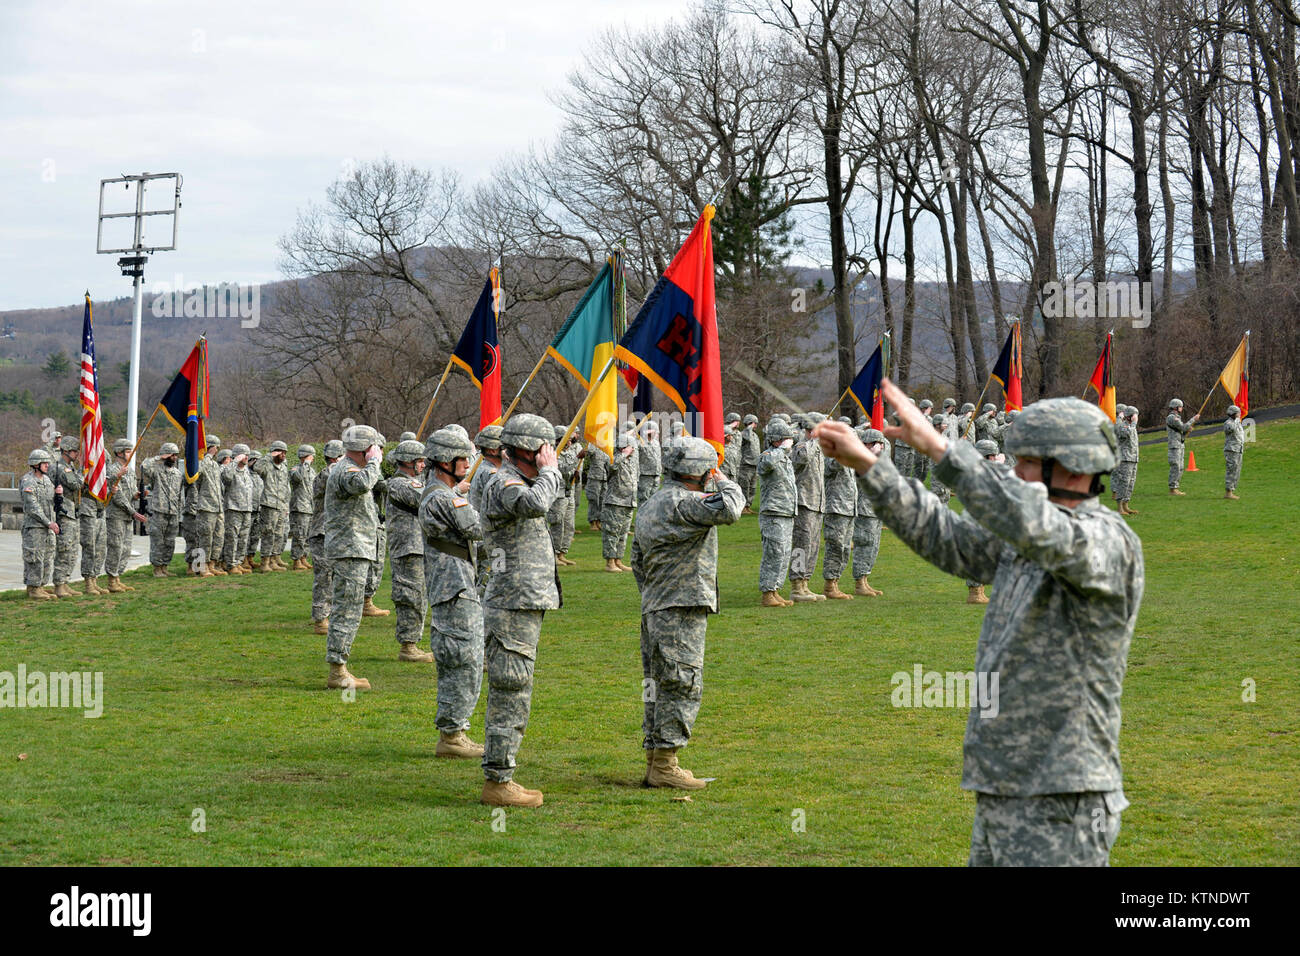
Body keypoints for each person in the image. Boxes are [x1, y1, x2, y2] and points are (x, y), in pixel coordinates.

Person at [814, 381, 1143, 866]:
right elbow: (948, 539)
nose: (1015, 472)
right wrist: (869, 465)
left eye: (1027, 462)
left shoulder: (1102, 540)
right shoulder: (1033, 536)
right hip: (1007, 780)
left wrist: (940, 449)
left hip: (1061, 792)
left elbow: (1029, 522)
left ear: (1070, 468)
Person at [631, 436, 743, 788]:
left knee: (657, 684)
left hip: (655, 604)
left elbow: (636, 559)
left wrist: (653, 592)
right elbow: (732, 507)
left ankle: (655, 759)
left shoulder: (651, 504)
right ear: (701, 472)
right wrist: (721, 480)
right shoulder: (686, 503)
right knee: (681, 682)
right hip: (680, 606)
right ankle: (666, 763)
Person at [479, 413, 562, 807]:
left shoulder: (518, 478)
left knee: (516, 688)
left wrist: (548, 472)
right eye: (545, 449)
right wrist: (550, 473)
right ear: (529, 451)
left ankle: (501, 775)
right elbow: (534, 504)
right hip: (511, 603)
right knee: (509, 691)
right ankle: (498, 780)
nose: (550, 455)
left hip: (522, 602)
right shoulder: (505, 482)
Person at [419, 428, 486, 758]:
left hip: (456, 585)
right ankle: (452, 736)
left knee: (466, 657)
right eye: (463, 458)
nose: (468, 463)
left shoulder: (442, 493)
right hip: (454, 590)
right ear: (446, 462)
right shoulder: (442, 498)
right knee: (462, 659)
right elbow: (478, 526)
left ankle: (455, 731)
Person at [324, 425, 385, 691]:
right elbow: (360, 485)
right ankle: (338, 672)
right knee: (346, 611)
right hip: (349, 549)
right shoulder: (348, 470)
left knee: (348, 609)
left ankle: (340, 668)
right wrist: (374, 463)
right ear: (365, 449)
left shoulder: (352, 468)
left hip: (354, 548)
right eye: (375, 448)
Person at [386, 439, 433, 662]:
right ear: (407, 462)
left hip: (416, 545)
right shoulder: (400, 484)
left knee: (419, 595)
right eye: (419, 461)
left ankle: (412, 642)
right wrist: (455, 489)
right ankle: (408, 646)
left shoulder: (413, 481)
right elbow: (426, 500)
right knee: (410, 595)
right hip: (407, 547)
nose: (423, 465)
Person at [757, 418, 797, 607]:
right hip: (773, 512)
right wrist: (781, 450)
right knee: (774, 552)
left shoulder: (785, 458)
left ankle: (775, 590)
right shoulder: (767, 455)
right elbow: (766, 466)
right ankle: (767, 592)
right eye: (785, 438)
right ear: (775, 440)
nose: (790, 442)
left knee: (784, 553)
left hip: (786, 511)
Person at [788, 413, 827, 602]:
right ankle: (796, 585)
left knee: (813, 545)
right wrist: (813, 439)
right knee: (801, 545)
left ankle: (805, 583)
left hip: (817, 503)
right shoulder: (802, 446)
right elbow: (801, 459)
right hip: (804, 502)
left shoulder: (818, 448)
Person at [308, 440, 343, 634]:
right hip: (322, 532)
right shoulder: (326, 474)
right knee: (324, 577)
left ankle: (334, 614)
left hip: (337, 532)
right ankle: (321, 619)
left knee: (339, 576)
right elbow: (333, 476)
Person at [105, 439, 148, 592]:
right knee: (116, 547)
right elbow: (117, 497)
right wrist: (134, 512)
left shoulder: (129, 471)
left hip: (127, 516)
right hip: (116, 515)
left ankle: (118, 578)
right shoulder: (112, 471)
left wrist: (138, 495)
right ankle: (111, 580)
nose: (130, 454)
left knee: (125, 548)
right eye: (128, 451)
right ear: (119, 452)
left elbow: (130, 493)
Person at [820, 433, 857, 600]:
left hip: (849, 508)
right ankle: (829, 585)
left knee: (844, 549)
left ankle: (836, 581)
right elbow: (831, 468)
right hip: (836, 508)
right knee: (835, 547)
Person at [851, 428, 887, 597]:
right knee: (864, 544)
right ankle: (859, 582)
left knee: (873, 546)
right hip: (865, 509)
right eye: (877, 443)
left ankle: (865, 578)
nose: (880, 446)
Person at [21, 449, 59, 600]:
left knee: (47, 556)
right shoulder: (28, 481)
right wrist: (48, 522)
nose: (47, 465)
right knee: (35, 557)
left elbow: (49, 502)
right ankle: (34, 587)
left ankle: (40, 585)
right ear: (35, 464)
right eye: (44, 463)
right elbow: (33, 507)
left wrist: (58, 493)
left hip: (48, 525)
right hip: (35, 527)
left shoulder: (47, 480)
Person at [141, 442, 183, 577]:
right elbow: (143, 466)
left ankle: (165, 567)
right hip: (159, 512)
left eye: (176, 455)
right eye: (172, 455)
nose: (174, 458)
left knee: (170, 542)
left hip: (173, 512)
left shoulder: (178, 474)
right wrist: (159, 457)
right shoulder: (156, 471)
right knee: (158, 541)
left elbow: (179, 493)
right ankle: (157, 569)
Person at [49, 436, 83, 597]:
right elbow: (76, 484)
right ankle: (59, 584)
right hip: (64, 513)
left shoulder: (70, 467)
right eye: (75, 451)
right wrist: (83, 472)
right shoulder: (61, 468)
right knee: (65, 549)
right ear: (67, 451)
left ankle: (65, 582)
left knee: (73, 549)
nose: (77, 454)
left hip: (72, 513)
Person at [601, 427, 638, 572]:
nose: (633, 450)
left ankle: (618, 560)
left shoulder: (631, 461)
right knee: (612, 532)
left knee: (623, 533)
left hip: (629, 501)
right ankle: (610, 562)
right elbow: (611, 467)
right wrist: (623, 455)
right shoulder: (611, 458)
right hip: (615, 501)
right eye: (630, 448)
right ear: (622, 448)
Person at [77, 438, 110, 595]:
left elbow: (103, 488)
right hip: (88, 508)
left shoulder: (103, 474)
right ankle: (88, 582)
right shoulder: (84, 468)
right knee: (89, 547)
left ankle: (95, 579)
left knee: (100, 547)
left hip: (99, 510)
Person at [254, 440, 291, 570]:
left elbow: (286, 487)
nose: (284, 455)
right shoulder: (267, 465)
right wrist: (269, 455)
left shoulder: (284, 467)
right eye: (282, 452)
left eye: (285, 452)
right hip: (269, 505)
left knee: (279, 534)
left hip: (281, 505)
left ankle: (274, 561)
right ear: (276, 452)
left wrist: (286, 505)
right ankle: (265, 563)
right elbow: (256, 468)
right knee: (268, 534)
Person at [220, 445, 256, 576]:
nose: (247, 457)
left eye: (248, 454)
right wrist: (234, 461)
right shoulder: (229, 469)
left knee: (243, 538)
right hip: (233, 508)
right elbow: (226, 478)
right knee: (232, 538)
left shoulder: (246, 470)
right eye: (244, 455)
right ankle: (230, 564)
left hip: (246, 509)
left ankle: (239, 562)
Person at [550, 424, 580, 566]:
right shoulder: (553, 453)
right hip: (558, 494)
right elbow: (560, 468)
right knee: (558, 524)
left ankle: (562, 553)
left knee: (569, 525)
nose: (569, 442)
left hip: (569, 492)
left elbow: (570, 470)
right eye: (566, 439)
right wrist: (576, 459)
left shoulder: (568, 452)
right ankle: (553, 555)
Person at [288, 445, 316, 570]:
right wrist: (306, 464)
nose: (312, 459)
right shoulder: (296, 469)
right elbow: (299, 478)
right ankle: (296, 560)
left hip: (310, 507)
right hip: (300, 507)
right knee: (299, 535)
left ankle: (304, 557)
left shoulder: (312, 471)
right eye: (310, 456)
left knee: (307, 536)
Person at [1165, 398, 1199, 495]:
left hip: (1180, 445)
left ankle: (1176, 487)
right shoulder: (1172, 417)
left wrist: (1187, 431)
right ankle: (1172, 488)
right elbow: (1183, 427)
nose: (1182, 408)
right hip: (1174, 446)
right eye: (1180, 407)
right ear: (1176, 407)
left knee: (1180, 467)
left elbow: (1182, 431)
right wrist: (1193, 419)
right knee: (1176, 466)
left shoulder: (1177, 417)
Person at [1111, 406, 1139, 515]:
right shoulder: (1122, 425)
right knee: (1124, 482)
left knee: (1131, 483)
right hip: (1125, 458)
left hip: (1133, 458)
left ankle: (1126, 505)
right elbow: (1125, 433)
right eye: (1135, 415)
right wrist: (1133, 423)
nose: (1136, 417)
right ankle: (1119, 507)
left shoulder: (1131, 426)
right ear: (1130, 416)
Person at [636, 419, 662, 507]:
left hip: (656, 475)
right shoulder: (639, 443)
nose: (656, 432)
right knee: (644, 499)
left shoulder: (656, 443)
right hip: (645, 475)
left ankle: (651, 519)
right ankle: (641, 519)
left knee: (654, 499)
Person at [584, 440, 608, 530]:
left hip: (605, 477)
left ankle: (599, 521)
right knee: (594, 499)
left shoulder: (607, 446)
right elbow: (588, 453)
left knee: (603, 500)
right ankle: (593, 521)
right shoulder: (593, 444)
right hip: (594, 477)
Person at [739, 414, 760, 512]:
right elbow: (747, 437)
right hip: (746, 464)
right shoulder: (743, 434)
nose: (756, 425)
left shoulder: (755, 435)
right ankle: (742, 506)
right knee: (744, 486)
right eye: (754, 423)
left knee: (753, 487)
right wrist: (749, 427)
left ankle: (748, 506)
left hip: (755, 465)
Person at [1223, 405, 1244, 500]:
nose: (1239, 415)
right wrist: (1237, 420)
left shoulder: (1237, 423)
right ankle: (1228, 492)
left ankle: (1231, 490)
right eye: (1238, 413)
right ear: (1233, 414)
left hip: (1238, 449)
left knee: (1236, 470)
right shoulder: (1228, 423)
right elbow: (1231, 429)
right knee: (1231, 470)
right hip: (1231, 450)